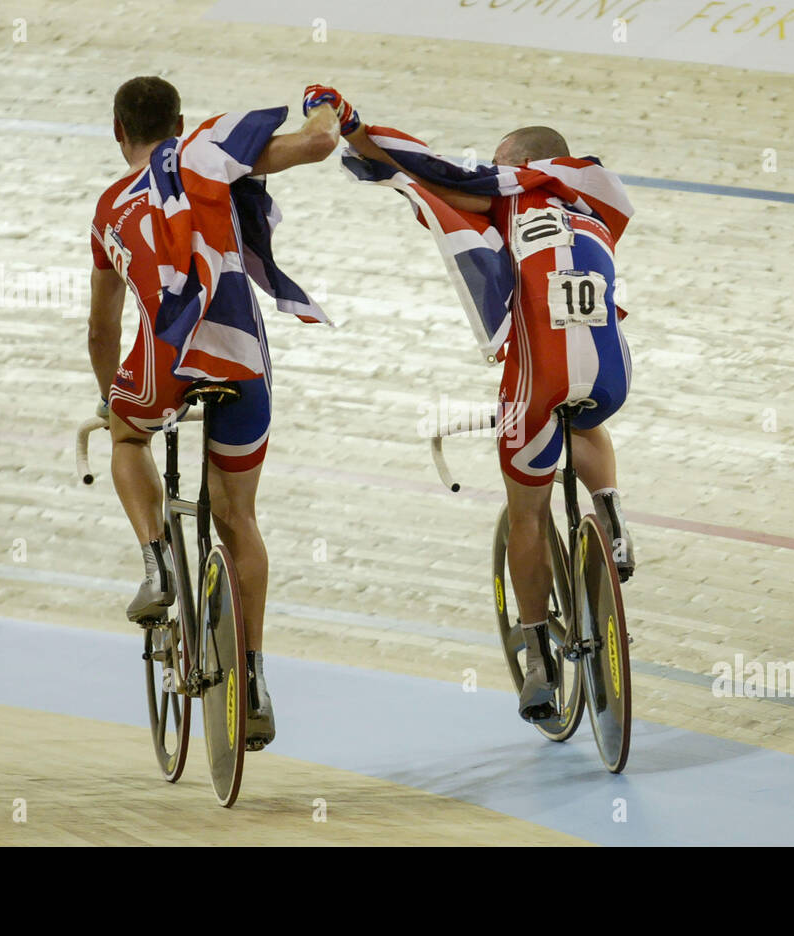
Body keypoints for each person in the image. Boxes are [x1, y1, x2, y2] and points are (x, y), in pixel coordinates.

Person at [316, 86, 636, 720]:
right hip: (612, 372)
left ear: (517, 167)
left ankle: (539, 658)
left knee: (527, 510)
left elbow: (436, 176)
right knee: (588, 416)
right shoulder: (599, 200)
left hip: (536, 380)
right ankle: (614, 521)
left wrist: (356, 131)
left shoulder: (510, 197)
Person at [86, 77, 340, 749]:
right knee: (239, 519)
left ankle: (156, 563)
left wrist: (112, 403)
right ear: (180, 121)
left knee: (126, 436)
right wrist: (323, 103)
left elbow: (101, 333)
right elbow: (318, 145)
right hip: (240, 358)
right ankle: (252, 681)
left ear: (118, 132)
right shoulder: (206, 155)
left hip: (163, 361)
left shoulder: (108, 210)